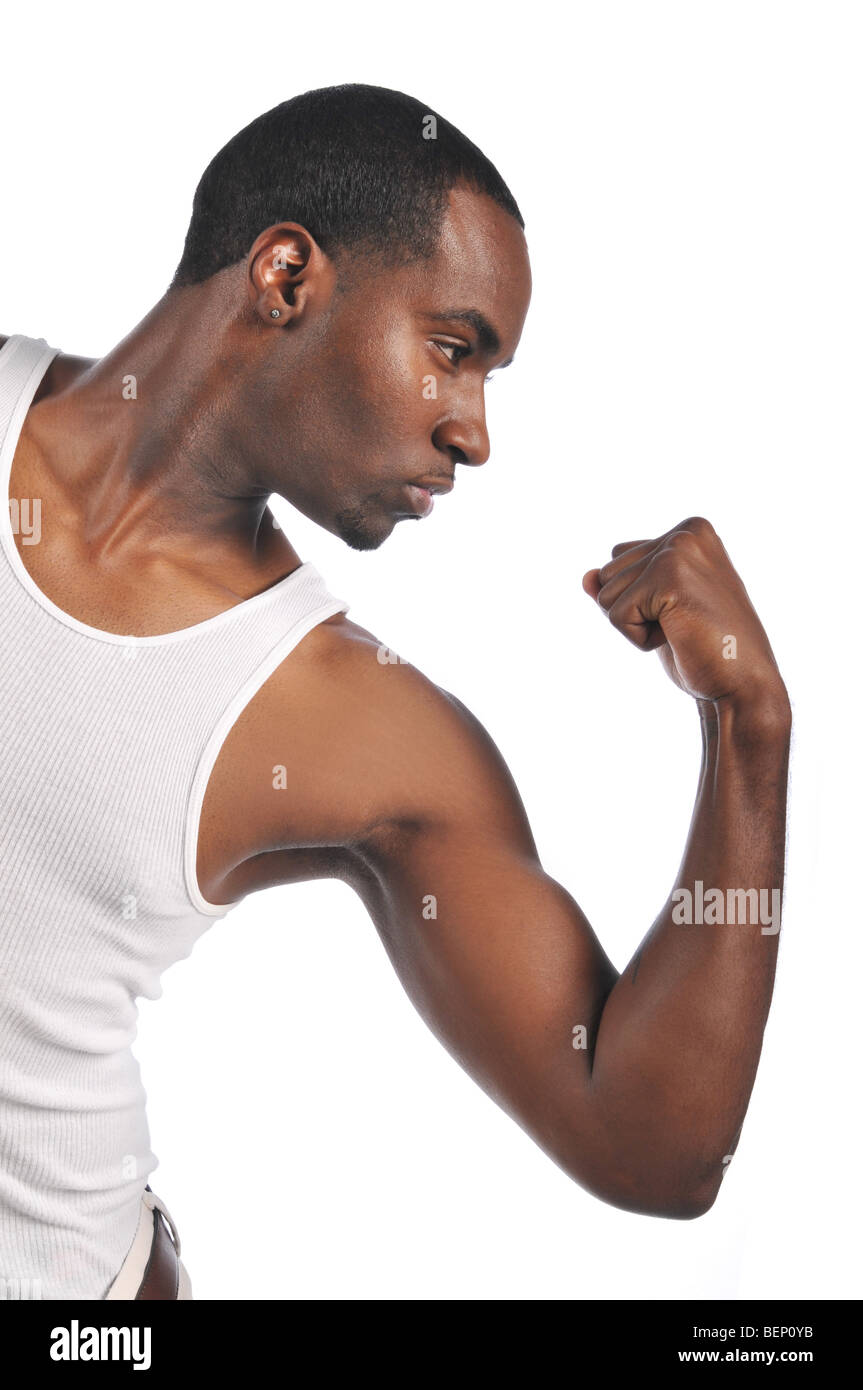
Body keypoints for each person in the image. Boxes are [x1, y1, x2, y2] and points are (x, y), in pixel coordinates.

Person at [0, 83, 791, 1301]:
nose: (474, 434)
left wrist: (749, 729)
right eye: (453, 348)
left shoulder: (360, 729)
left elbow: (651, 1145)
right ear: (284, 276)